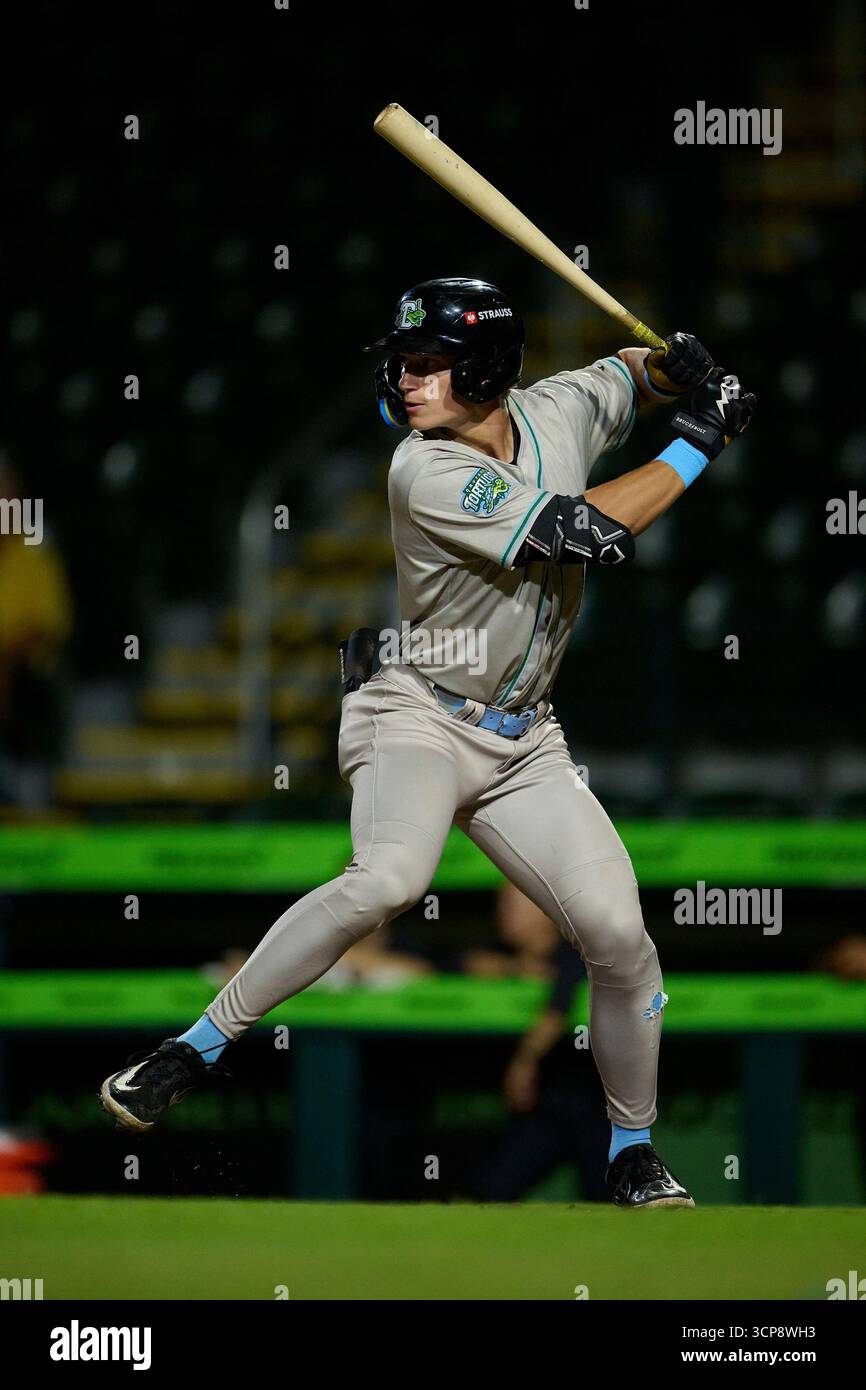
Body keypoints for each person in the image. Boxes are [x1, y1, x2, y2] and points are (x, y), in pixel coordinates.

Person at [99, 277, 756, 1208]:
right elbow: (589, 534)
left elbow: (624, 378)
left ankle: (630, 1151)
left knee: (621, 940)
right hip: (415, 710)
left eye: (429, 365)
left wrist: (668, 366)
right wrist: (702, 437)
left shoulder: (558, 409)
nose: (405, 381)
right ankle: (190, 1049)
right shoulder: (424, 467)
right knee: (390, 880)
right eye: (402, 364)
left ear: (486, 369)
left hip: (525, 737)